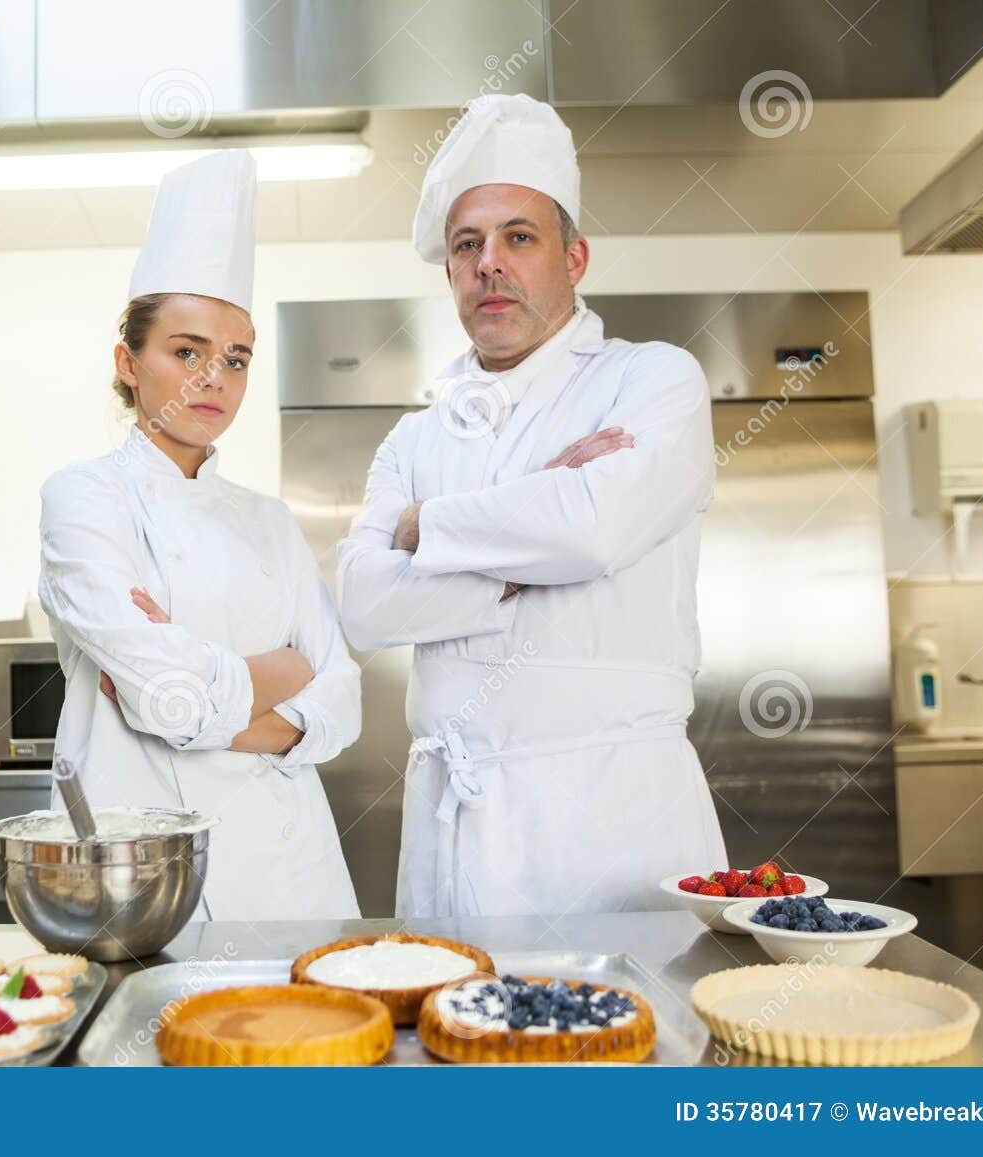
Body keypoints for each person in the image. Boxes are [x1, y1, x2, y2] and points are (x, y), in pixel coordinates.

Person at [337, 94, 727, 919]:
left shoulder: (652, 380)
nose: (490, 262)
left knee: (632, 1036)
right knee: (454, 1034)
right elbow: (366, 606)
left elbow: (591, 530)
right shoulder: (415, 436)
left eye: (520, 236)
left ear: (575, 258)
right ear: (448, 273)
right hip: (456, 824)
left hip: (614, 817)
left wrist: (423, 527)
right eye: (467, 245)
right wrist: (520, 559)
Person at [38, 151, 360, 922]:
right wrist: (284, 672)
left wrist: (185, 699)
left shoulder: (271, 521)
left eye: (235, 359)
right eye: (186, 351)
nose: (213, 377)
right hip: (148, 874)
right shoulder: (83, 499)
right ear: (130, 362)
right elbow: (163, 691)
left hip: (294, 877)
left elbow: (343, 701)